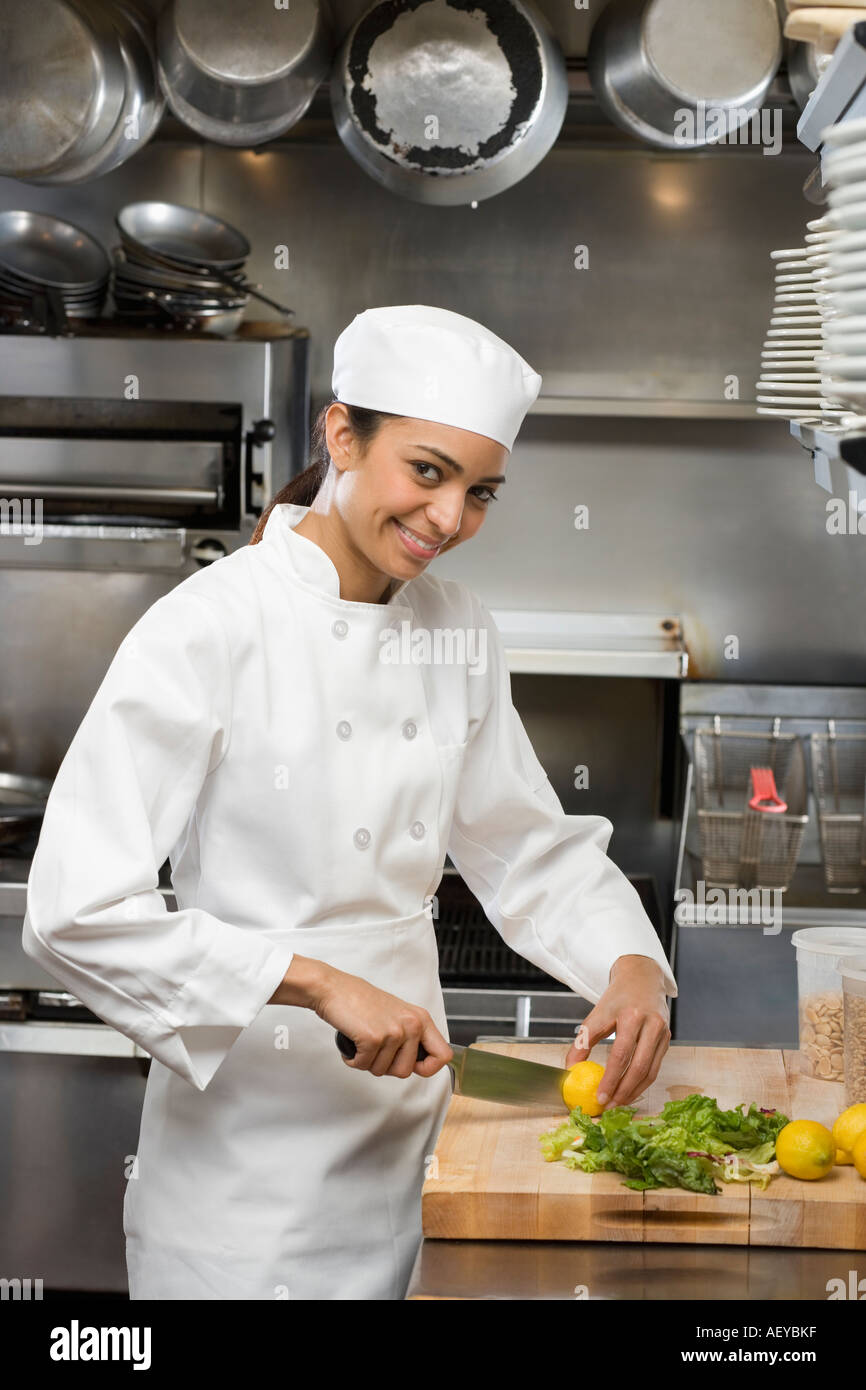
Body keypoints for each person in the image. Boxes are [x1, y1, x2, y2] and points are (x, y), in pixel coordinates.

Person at [22, 304, 677, 1301]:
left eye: (480, 491)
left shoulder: (456, 625)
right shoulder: (208, 627)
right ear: (340, 435)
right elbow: (75, 913)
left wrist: (628, 964)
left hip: (412, 1151)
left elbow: (521, 844)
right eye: (426, 471)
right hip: (242, 1196)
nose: (450, 519)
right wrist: (315, 981)